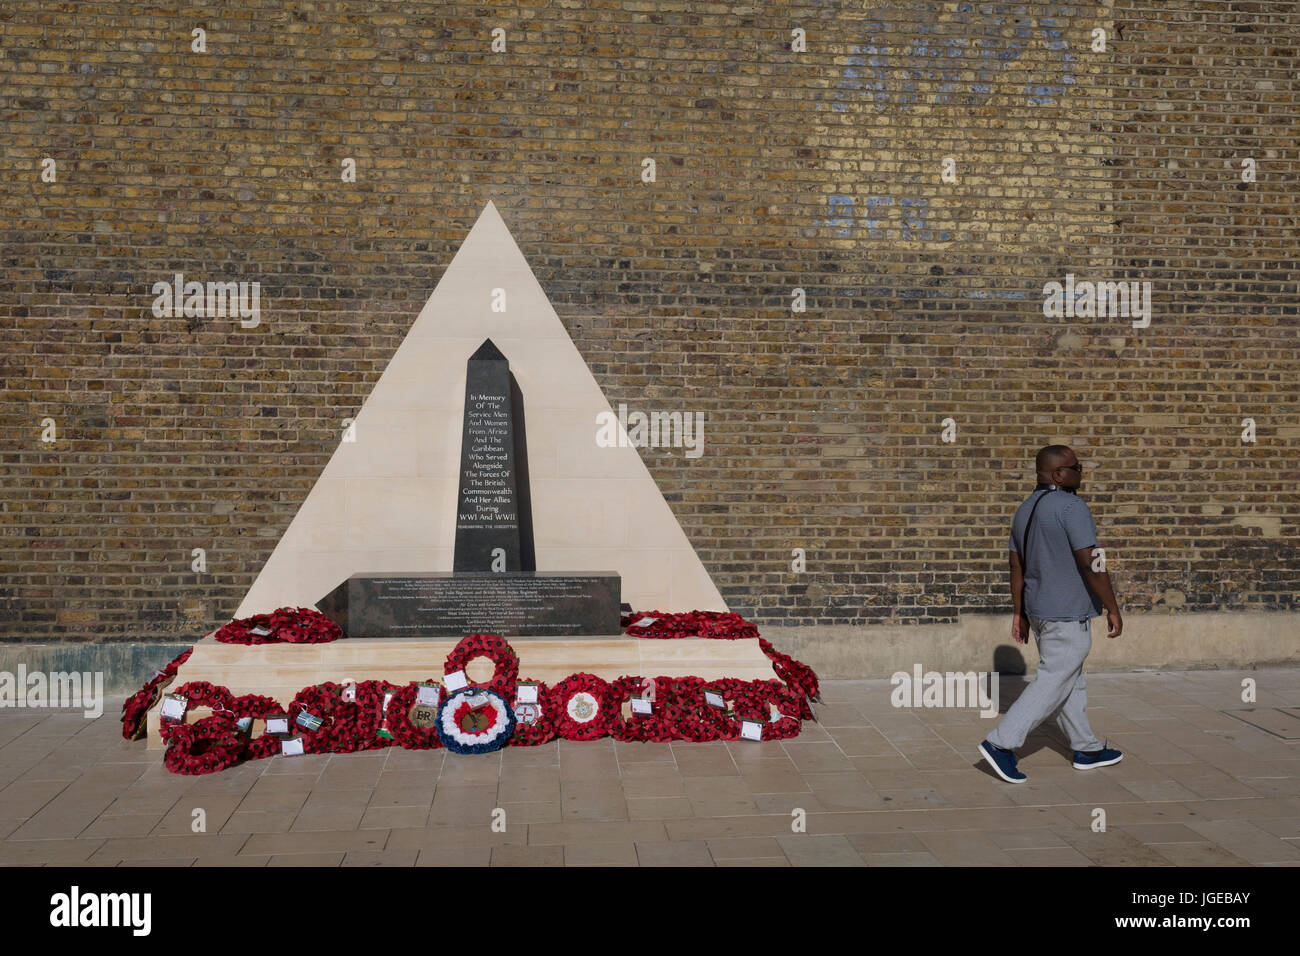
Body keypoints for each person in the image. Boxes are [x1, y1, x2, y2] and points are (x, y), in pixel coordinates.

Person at [978, 445, 1124, 783]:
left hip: (1040, 610)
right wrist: (1112, 607)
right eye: (1076, 467)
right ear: (1059, 474)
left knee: (1069, 679)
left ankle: (1086, 748)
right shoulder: (1073, 507)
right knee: (1054, 679)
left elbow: (1016, 565)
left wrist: (1020, 613)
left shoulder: (1024, 510)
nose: (1081, 472)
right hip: (1067, 612)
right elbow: (1092, 560)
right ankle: (1001, 744)